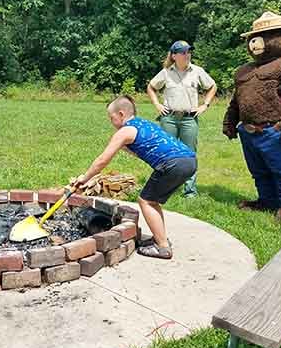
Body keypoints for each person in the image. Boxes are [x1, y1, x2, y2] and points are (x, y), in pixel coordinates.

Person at [73, 96, 197, 259]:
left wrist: (85, 177)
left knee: (146, 201)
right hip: (189, 160)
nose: (111, 122)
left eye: (112, 118)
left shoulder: (125, 131)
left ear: (121, 114)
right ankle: (160, 238)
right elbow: (144, 148)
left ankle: (163, 247)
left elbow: (102, 160)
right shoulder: (143, 124)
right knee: (152, 201)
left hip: (173, 164)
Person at [223, 11, 281, 221]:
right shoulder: (244, 71)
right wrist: (230, 121)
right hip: (249, 131)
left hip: (277, 130)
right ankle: (267, 201)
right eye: (254, 38)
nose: (256, 42)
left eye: (267, 35)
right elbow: (237, 100)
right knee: (259, 171)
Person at [147, 40, 216, 198]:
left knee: (189, 154)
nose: (187, 55)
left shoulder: (197, 71)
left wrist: (205, 105)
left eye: (188, 52)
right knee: (166, 153)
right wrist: (157, 104)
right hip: (169, 118)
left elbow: (212, 86)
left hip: (189, 119)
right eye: (183, 52)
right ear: (174, 55)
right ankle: (164, 188)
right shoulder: (166, 72)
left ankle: (190, 191)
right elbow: (151, 87)